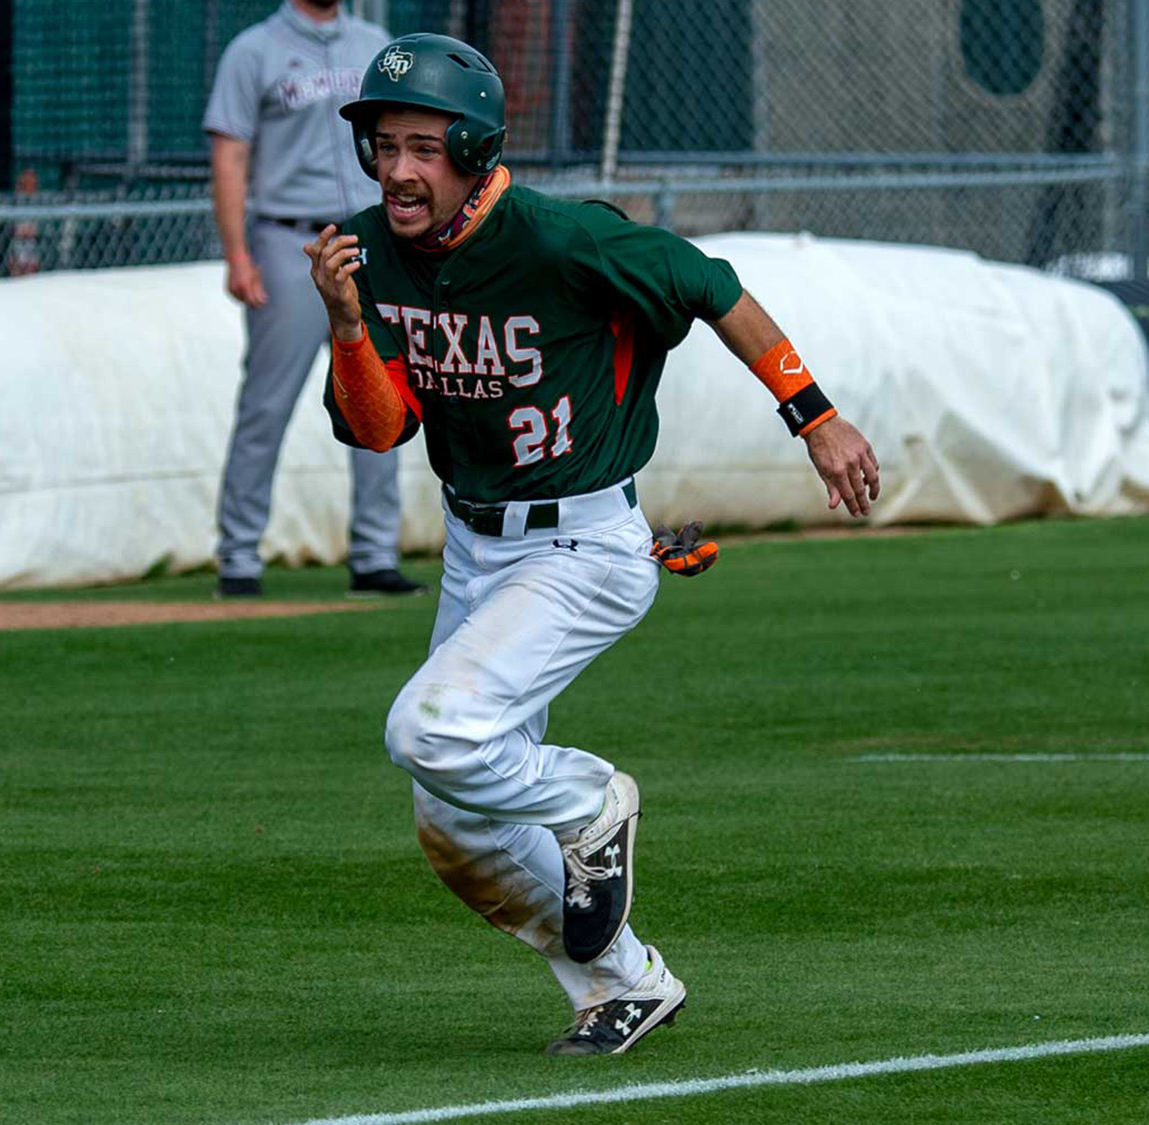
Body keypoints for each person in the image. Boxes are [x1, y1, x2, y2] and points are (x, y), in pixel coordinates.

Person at [306, 33, 881, 1055]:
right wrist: (348, 324)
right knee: (451, 820)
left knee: (428, 730)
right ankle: (624, 984)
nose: (398, 168)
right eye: (384, 144)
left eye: (424, 147)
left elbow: (710, 287)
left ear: (476, 150)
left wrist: (816, 416)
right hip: (475, 549)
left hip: (582, 547)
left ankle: (588, 799)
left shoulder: (563, 241)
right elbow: (378, 427)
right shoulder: (365, 254)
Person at [202, 0, 421, 599]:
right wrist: (237, 255)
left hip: (368, 239)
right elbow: (230, 155)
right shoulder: (254, 50)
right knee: (267, 405)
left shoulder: (376, 42)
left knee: (382, 396)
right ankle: (239, 558)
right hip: (287, 239)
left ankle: (375, 557)